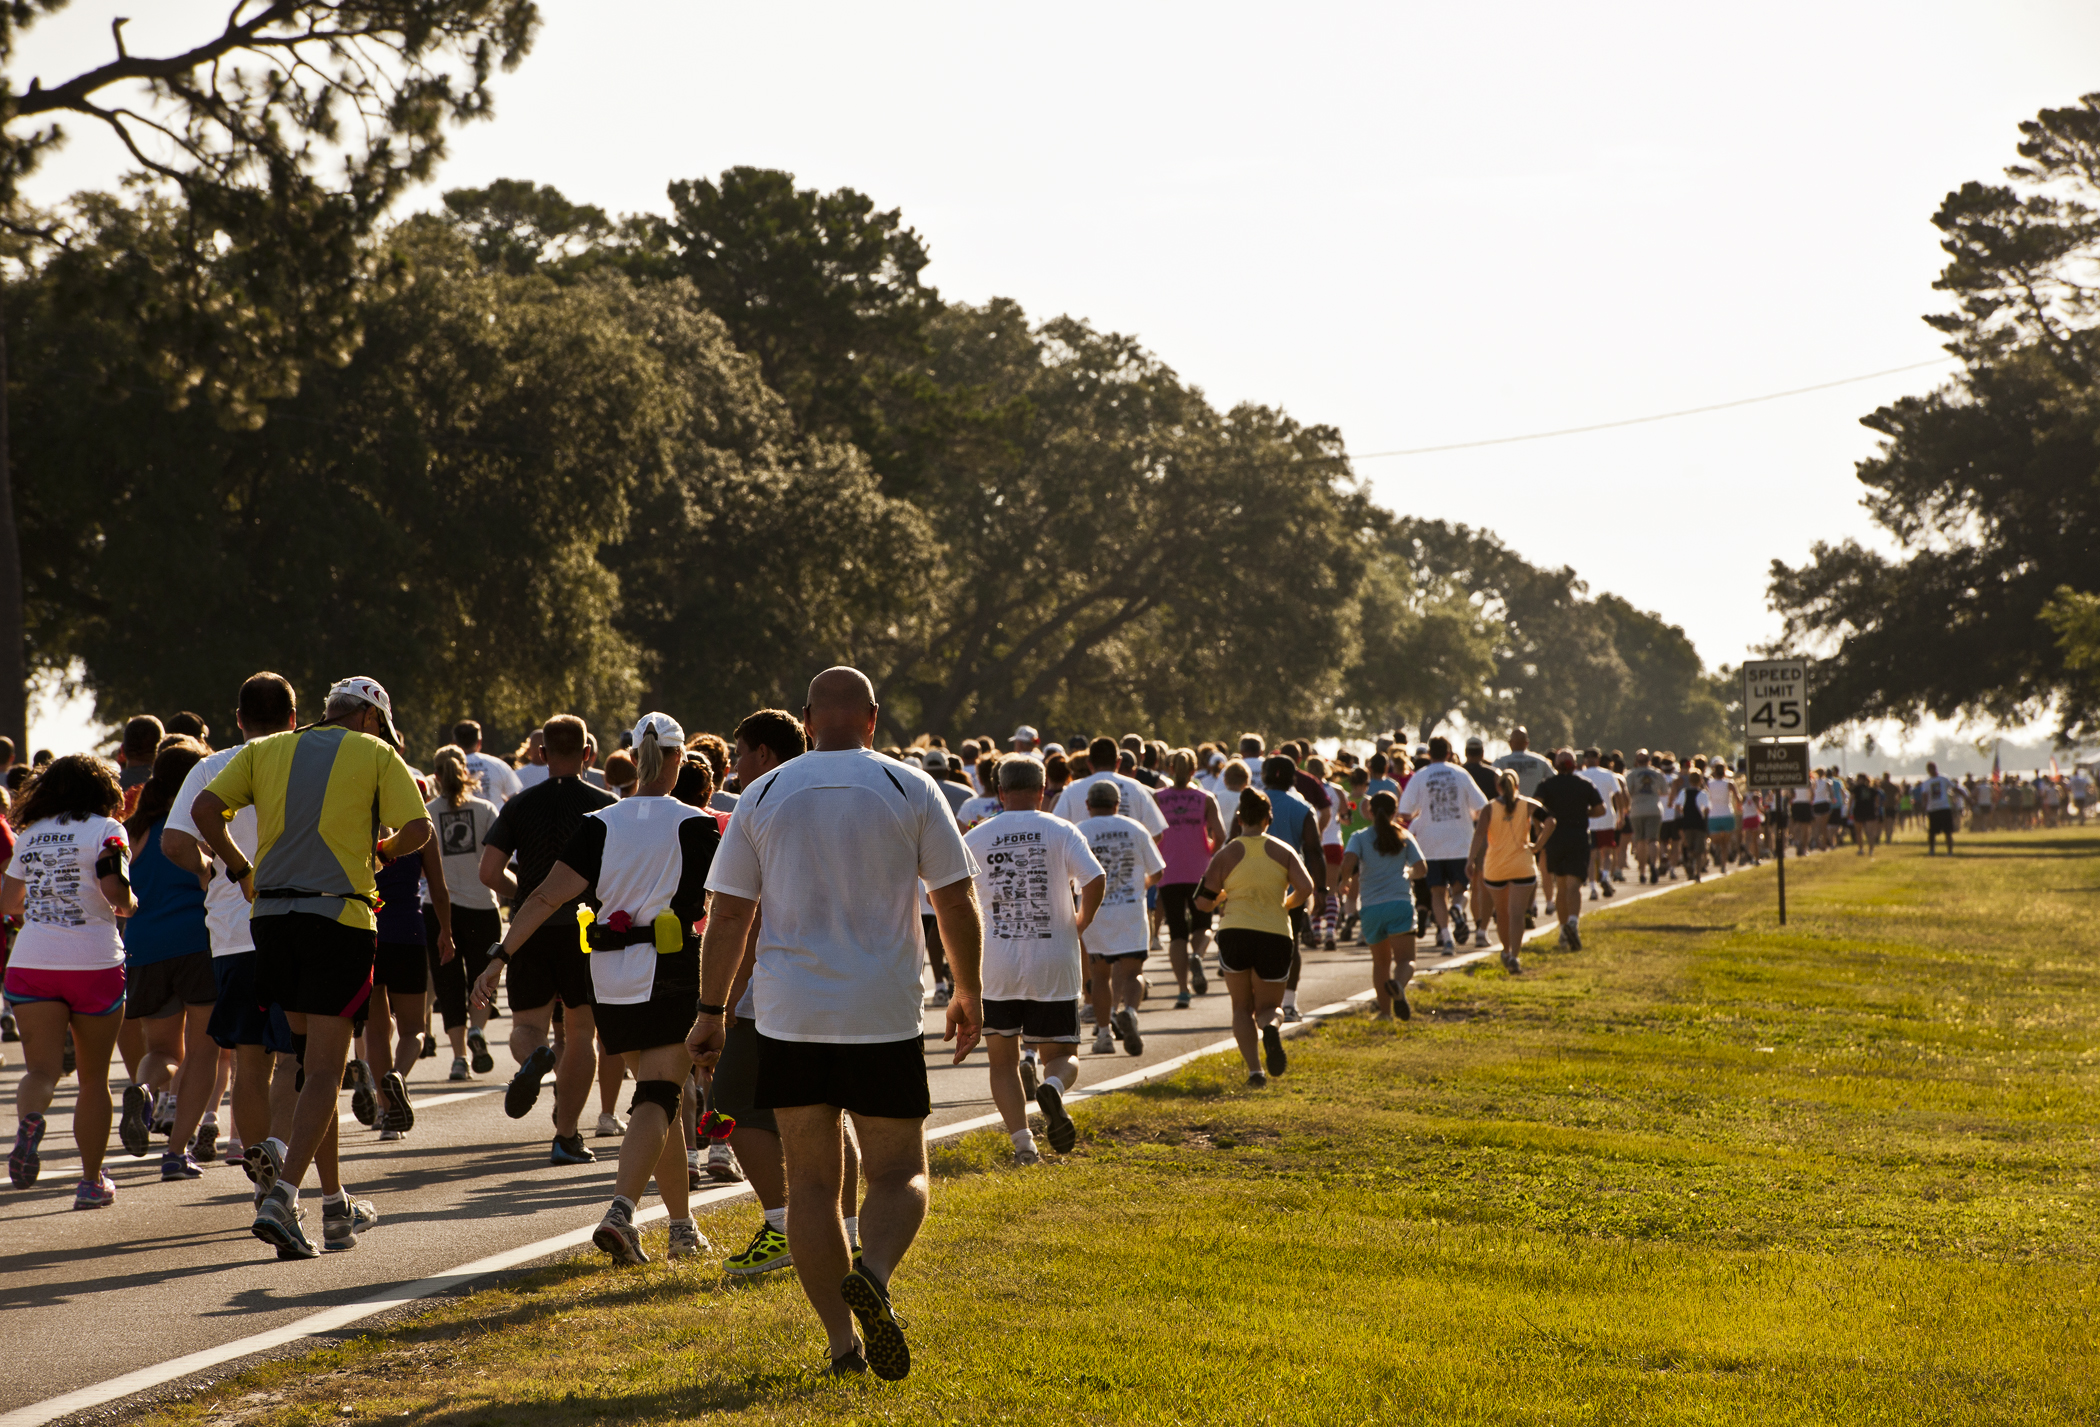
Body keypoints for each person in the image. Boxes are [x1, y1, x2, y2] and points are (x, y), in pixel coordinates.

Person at [690, 667, 983, 1380]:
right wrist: (969, 991)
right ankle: (875, 1271)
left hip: (790, 1012)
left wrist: (711, 1011)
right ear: (874, 717)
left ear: (807, 718)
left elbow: (729, 914)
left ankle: (840, 1343)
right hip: (881, 1008)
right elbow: (955, 899)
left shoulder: (762, 791)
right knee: (901, 1169)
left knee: (812, 1187)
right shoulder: (911, 786)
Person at [193, 676, 429, 1257]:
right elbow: (418, 830)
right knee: (328, 1069)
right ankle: (285, 1195)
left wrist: (241, 868)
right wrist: (384, 850)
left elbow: (205, 810)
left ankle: (333, 1202)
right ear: (371, 719)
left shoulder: (267, 748)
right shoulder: (375, 751)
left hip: (270, 920)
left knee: (302, 1065)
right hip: (338, 918)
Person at [475, 713, 720, 1264]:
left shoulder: (599, 822)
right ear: (679, 760)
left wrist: (500, 956)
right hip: (672, 968)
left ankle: (681, 1226)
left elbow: (541, 897)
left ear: (632, 758)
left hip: (610, 976)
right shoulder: (696, 824)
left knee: (660, 1096)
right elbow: (728, 907)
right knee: (659, 1097)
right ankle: (622, 1213)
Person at [163, 674, 300, 1175]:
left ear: (238, 719)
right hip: (300, 925)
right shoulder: (305, 760)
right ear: (293, 717)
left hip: (233, 930)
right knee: (295, 1058)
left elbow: (174, 842)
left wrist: (211, 871)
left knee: (249, 1058)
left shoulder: (211, 767)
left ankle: (259, 1167)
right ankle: (285, 1167)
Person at [479, 715, 617, 1165]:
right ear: (588, 754)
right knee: (580, 1033)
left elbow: (488, 872)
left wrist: (529, 895)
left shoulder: (518, 804)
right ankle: (566, 1135)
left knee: (527, 1027)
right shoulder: (604, 804)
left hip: (530, 929)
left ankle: (535, 1056)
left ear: (541, 754)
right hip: (583, 928)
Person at [4, 755, 135, 1206]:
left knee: (40, 1070)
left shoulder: (31, 834)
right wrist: (130, 905)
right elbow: (115, 893)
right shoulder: (107, 830)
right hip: (92, 962)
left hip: (32, 961)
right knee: (93, 1081)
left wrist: (47, 902)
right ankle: (91, 1182)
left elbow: (9, 900)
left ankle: (29, 1122)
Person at [963, 754, 1104, 1165]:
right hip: (1052, 960)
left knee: (1003, 1061)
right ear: (1043, 791)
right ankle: (1054, 1088)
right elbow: (1095, 878)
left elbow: (951, 895)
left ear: (999, 792)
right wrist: (1080, 922)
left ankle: (1023, 1144)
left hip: (996, 965)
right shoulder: (1061, 829)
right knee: (1061, 1054)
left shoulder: (977, 837)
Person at [118, 737, 220, 1179]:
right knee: (203, 1051)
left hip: (144, 946)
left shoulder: (135, 827)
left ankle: (143, 1087)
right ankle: (177, 1152)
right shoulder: (200, 823)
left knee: (161, 1049)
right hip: (197, 943)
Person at [1192, 789, 1314, 1087]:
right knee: (1269, 1008)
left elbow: (1202, 903)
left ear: (1238, 818)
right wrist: (1286, 904)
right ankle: (1270, 1028)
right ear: (1267, 818)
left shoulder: (1227, 853)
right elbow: (1307, 887)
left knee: (1240, 1007)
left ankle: (1255, 1072)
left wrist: (1223, 895)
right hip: (1275, 932)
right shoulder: (1283, 850)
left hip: (1235, 932)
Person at [355, 827, 450, 1141]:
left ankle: (387, 1114)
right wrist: (446, 932)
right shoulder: (420, 830)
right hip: (409, 932)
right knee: (414, 1029)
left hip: (368, 933)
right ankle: (398, 1075)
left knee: (377, 1031)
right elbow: (438, 888)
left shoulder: (358, 823)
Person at [424, 745, 501, 1082]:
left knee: (448, 984)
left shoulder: (425, 812)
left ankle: (458, 1058)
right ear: (465, 773)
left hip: (439, 911)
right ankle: (478, 1032)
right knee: (484, 978)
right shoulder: (485, 809)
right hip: (483, 906)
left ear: (436, 776)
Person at [1076, 781, 1165, 1056]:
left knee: (1100, 977)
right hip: (1131, 911)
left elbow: (1067, 878)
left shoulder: (1079, 831)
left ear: (1088, 805)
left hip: (1096, 913)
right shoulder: (1135, 828)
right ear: (1117, 804)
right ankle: (1131, 1013)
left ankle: (1104, 1035)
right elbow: (1158, 871)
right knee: (1133, 973)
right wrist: (1141, 886)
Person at [1394, 736, 1487, 952]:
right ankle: (1456, 908)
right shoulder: (1460, 773)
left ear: (1429, 754)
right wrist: (1468, 816)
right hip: (1460, 841)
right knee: (1461, 888)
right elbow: (1481, 806)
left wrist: (1421, 813)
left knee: (1436, 891)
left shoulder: (1420, 776)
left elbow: (1405, 811)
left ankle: (1446, 938)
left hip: (1430, 844)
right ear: (1448, 752)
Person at [1337, 791, 1426, 1017]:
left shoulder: (1359, 836)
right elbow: (1421, 868)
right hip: (1400, 903)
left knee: (1381, 963)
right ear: (1395, 812)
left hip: (1371, 907)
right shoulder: (1404, 836)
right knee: (1407, 960)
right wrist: (1408, 873)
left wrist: (1345, 880)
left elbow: (1348, 860)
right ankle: (1398, 985)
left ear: (1369, 812)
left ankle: (1385, 1014)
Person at [1154, 749, 1224, 1008]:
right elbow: (1221, 833)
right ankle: (1197, 955)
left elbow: (1150, 834)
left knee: (1176, 933)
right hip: (1199, 871)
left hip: (1168, 871)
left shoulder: (1157, 798)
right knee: (1203, 924)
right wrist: (1209, 848)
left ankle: (1183, 990)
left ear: (1171, 769)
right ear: (1195, 770)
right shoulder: (1205, 798)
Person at [1468, 771, 1551, 975]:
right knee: (1517, 914)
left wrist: (1470, 860)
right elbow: (1551, 821)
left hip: (1496, 868)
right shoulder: (1528, 804)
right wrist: (1537, 845)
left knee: (1502, 913)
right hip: (1522, 865)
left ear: (1498, 787)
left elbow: (1479, 834)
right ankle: (1515, 954)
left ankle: (1505, 951)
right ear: (1517, 786)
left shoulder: (1489, 808)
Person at [1534, 751, 1606, 951]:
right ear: (1575, 765)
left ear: (1555, 765)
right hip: (1578, 837)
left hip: (1555, 838)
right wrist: (1584, 812)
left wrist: (1541, 823)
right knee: (1574, 885)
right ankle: (1573, 922)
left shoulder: (1546, 784)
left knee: (1561, 886)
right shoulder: (1584, 784)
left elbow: (1535, 805)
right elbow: (1601, 810)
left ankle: (1563, 929)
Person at [1052, 736, 1167, 835]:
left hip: (1083, 858)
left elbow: (1056, 831)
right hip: (1127, 859)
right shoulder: (1136, 787)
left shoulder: (1072, 789)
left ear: (1089, 763)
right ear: (1118, 762)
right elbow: (1156, 832)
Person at [1577, 748, 1625, 900]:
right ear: (1598, 760)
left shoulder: (1579, 776)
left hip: (1588, 820)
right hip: (1606, 817)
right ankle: (1605, 875)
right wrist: (1621, 815)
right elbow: (1618, 795)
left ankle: (1592, 887)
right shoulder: (1608, 774)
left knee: (1591, 856)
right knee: (1607, 851)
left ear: (1584, 760)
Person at [1623, 750, 1670, 884]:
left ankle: (1642, 872)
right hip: (1654, 808)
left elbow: (1628, 792)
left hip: (1637, 809)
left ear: (1636, 761)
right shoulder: (1657, 773)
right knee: (1653, 840)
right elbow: (1665, 791)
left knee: (1640, 841)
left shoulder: (1631, 774)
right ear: (1649, 760)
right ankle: (1653, 866)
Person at [454, 720, 523, 805]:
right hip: (496, 817)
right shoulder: (498, 765)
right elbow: (515, 797)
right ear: (479, 742)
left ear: (454, 743)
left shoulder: (448, 768)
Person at [1919, 761, 1962, 855]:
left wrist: (1966, 797)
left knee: (1948, 831)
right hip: (1933, 809)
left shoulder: (1944, 778)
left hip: (1944, 807)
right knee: (1932, 832)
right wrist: (1924, 807)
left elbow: (1955, 788)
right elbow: (1925, 796)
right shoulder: (1926, 782)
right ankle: (1931, 850)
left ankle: (1950, 851)